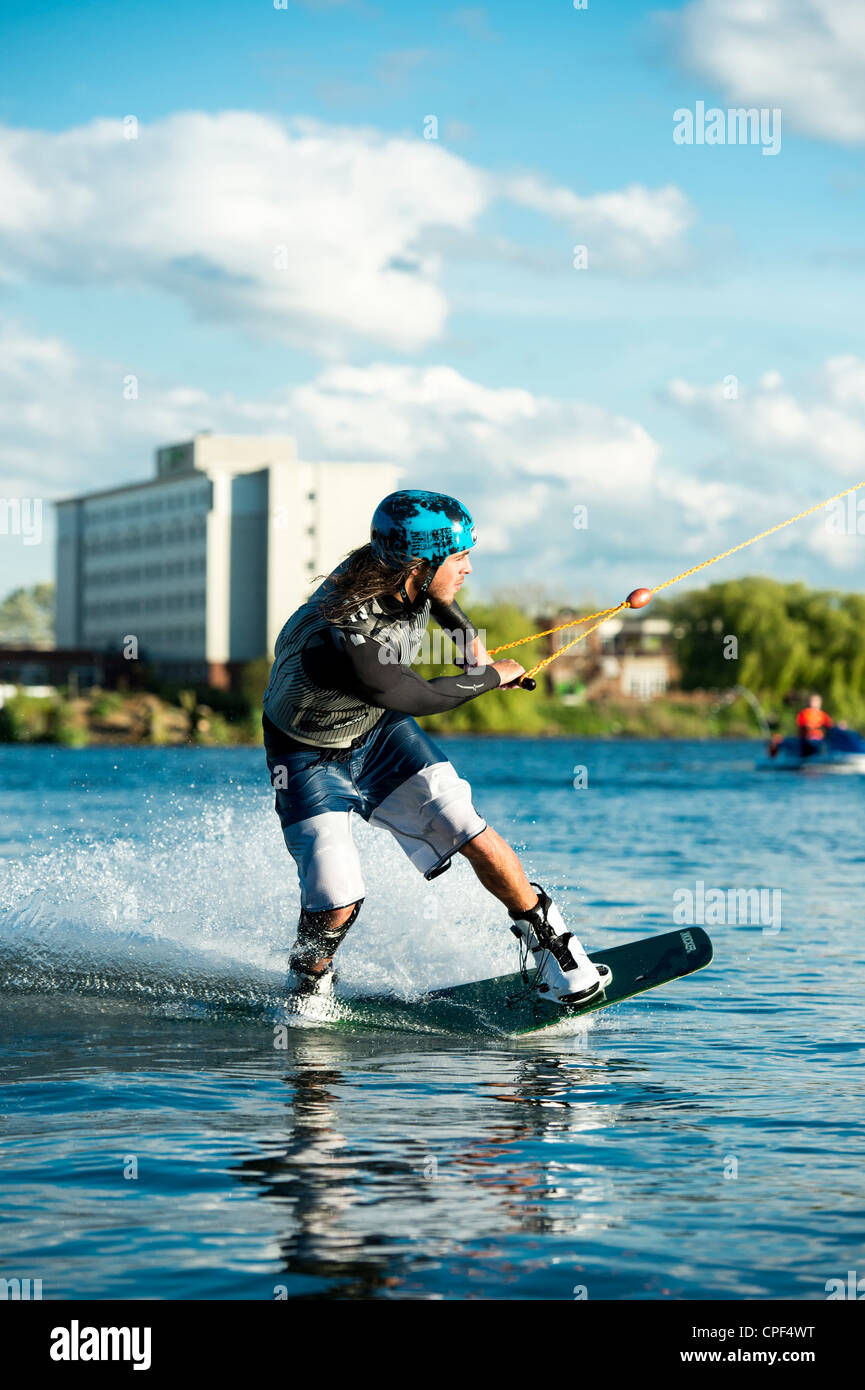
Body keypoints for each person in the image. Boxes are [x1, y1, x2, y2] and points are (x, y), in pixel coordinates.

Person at [262, 489, 611, 1008]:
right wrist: (491, 677)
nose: (469, 568)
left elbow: (438, 597)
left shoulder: (396, 570)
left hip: (378, 732)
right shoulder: (341, 632)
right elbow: (416, 696)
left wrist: (468, 639)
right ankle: (310, 980)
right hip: (306, 754)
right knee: (335, 896)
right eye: (460, 557)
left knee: (466, 826)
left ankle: (553, 947)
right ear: (417, 566)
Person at [796, 693, 833, 758]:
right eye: (813, 701)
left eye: (817, 701)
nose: (815, 703)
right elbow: (801, 727)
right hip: (807, 740)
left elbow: (830, 726)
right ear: (810, 702)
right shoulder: (804, 713)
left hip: (819, 740)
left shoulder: (823, 715)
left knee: (823, 746)